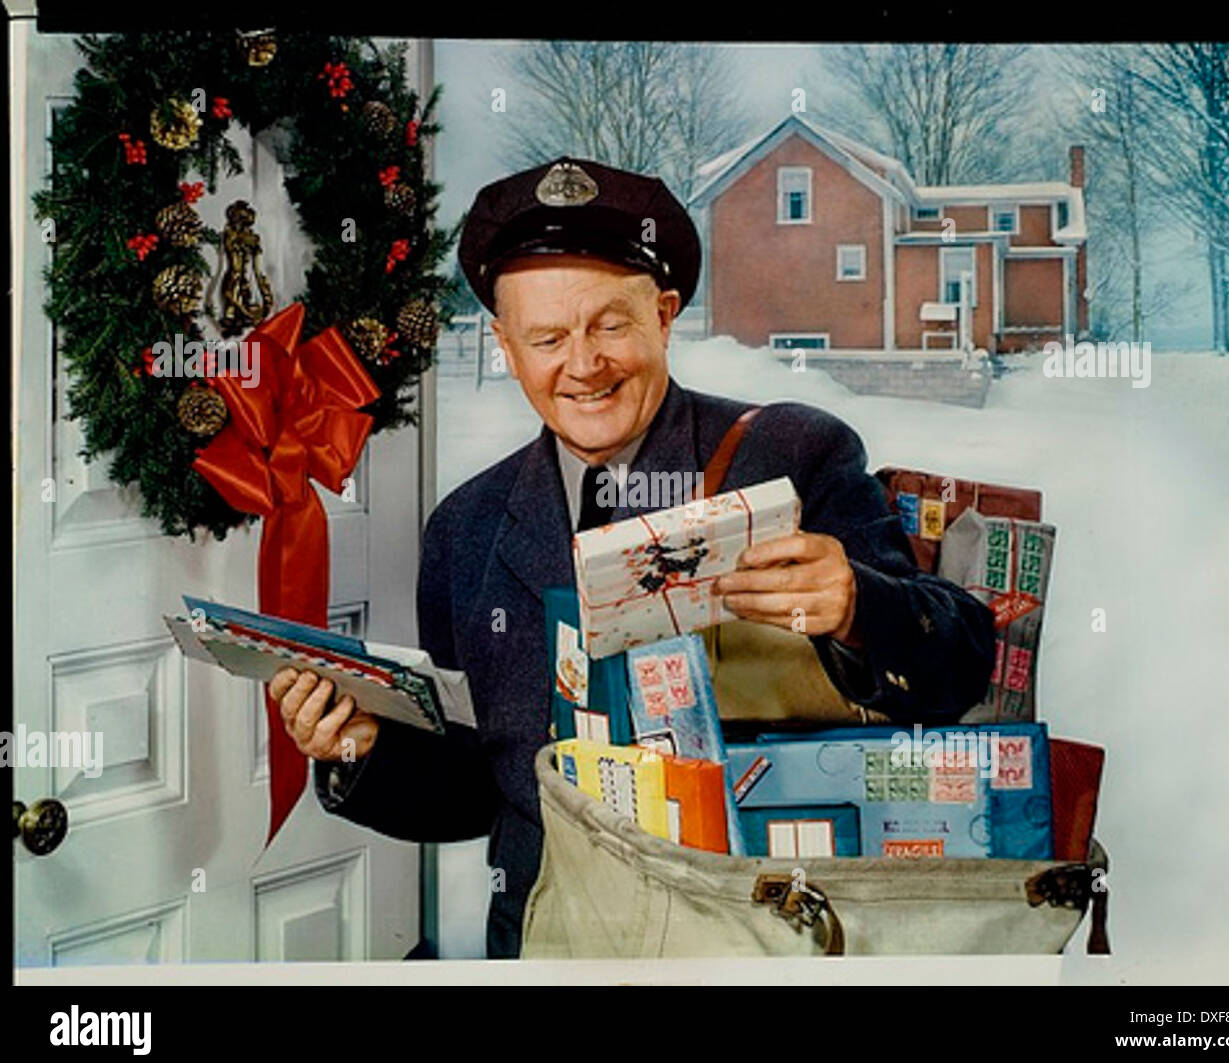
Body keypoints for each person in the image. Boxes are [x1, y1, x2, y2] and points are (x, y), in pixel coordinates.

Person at [270, 157, 997, 959]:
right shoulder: (464, 528)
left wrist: (862, 604)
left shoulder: (794, 451)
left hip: (756, 942)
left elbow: (960, 667)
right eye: (546, 337)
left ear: (664, 313)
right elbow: (483, 789)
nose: (582, 365)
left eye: (611, 325)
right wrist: (359, 750)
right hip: (549, 943)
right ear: (507, 349)